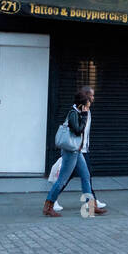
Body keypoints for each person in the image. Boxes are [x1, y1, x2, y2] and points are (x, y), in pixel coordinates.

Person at [44, 88, 108, 216]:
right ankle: (48, 205)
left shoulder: (81, 112)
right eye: (89, 102)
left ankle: (91, 206)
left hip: (78, 151)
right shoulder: (74, 113)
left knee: (86, 177)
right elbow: (78, 130)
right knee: (62, 179)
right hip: (70, 152)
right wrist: (84, 117)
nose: (90, 103)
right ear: (83, 103)